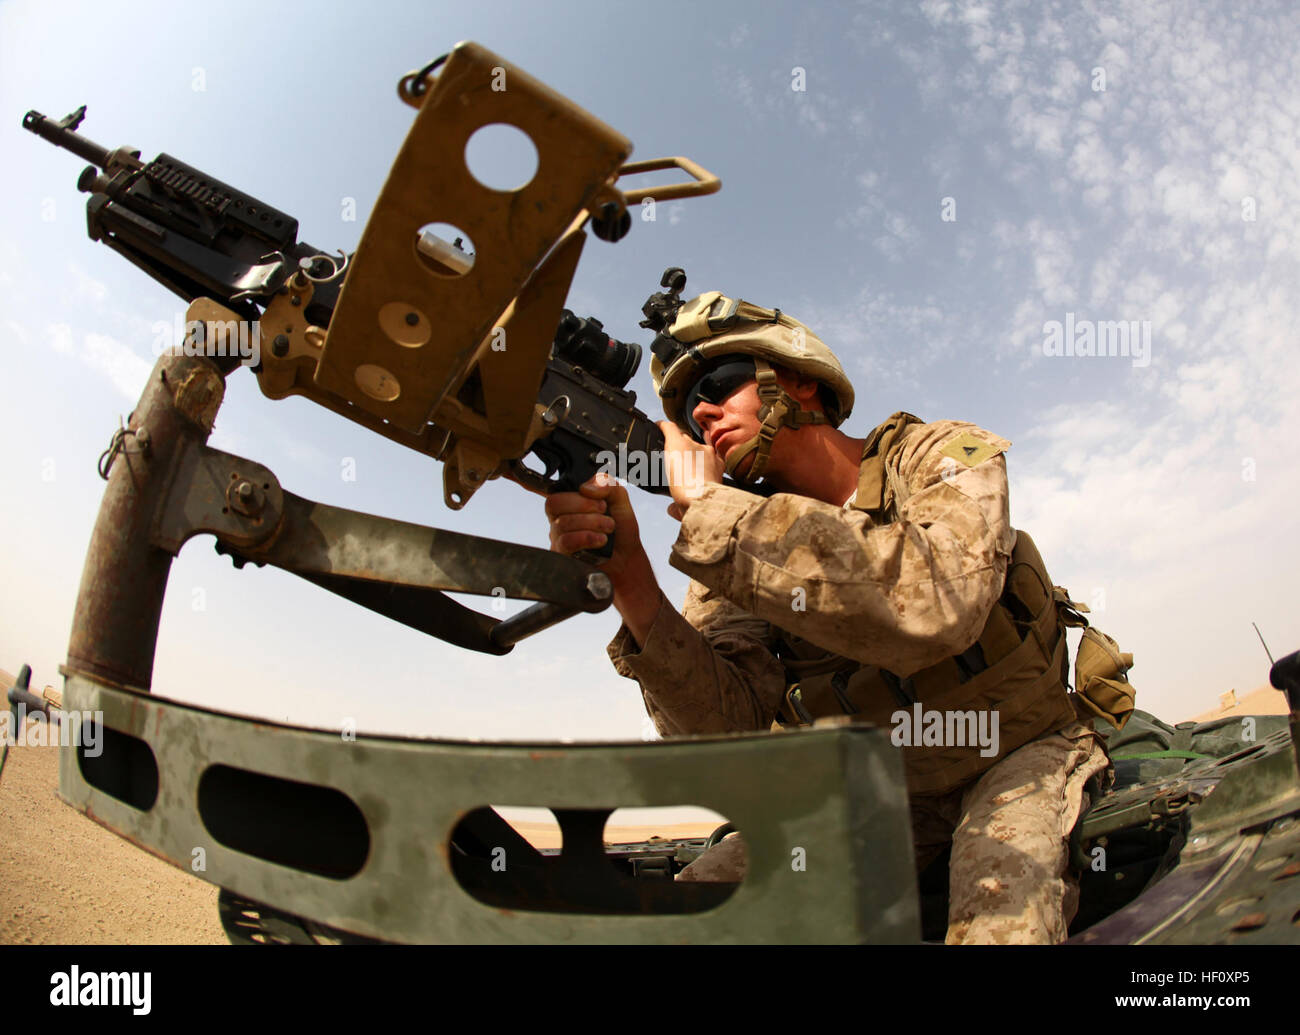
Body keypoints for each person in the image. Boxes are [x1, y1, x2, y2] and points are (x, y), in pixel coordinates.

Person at [544, 284, 1120, 944]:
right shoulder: (732, 539)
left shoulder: (936, 455)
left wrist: (719, 515)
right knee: (679, 927)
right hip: (880, 791)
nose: (702, 412)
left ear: (800, 382)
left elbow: (942, 601)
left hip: (1014, 753)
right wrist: (632, 581)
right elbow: (722, 731)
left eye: (720, 382)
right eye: (686, 409)